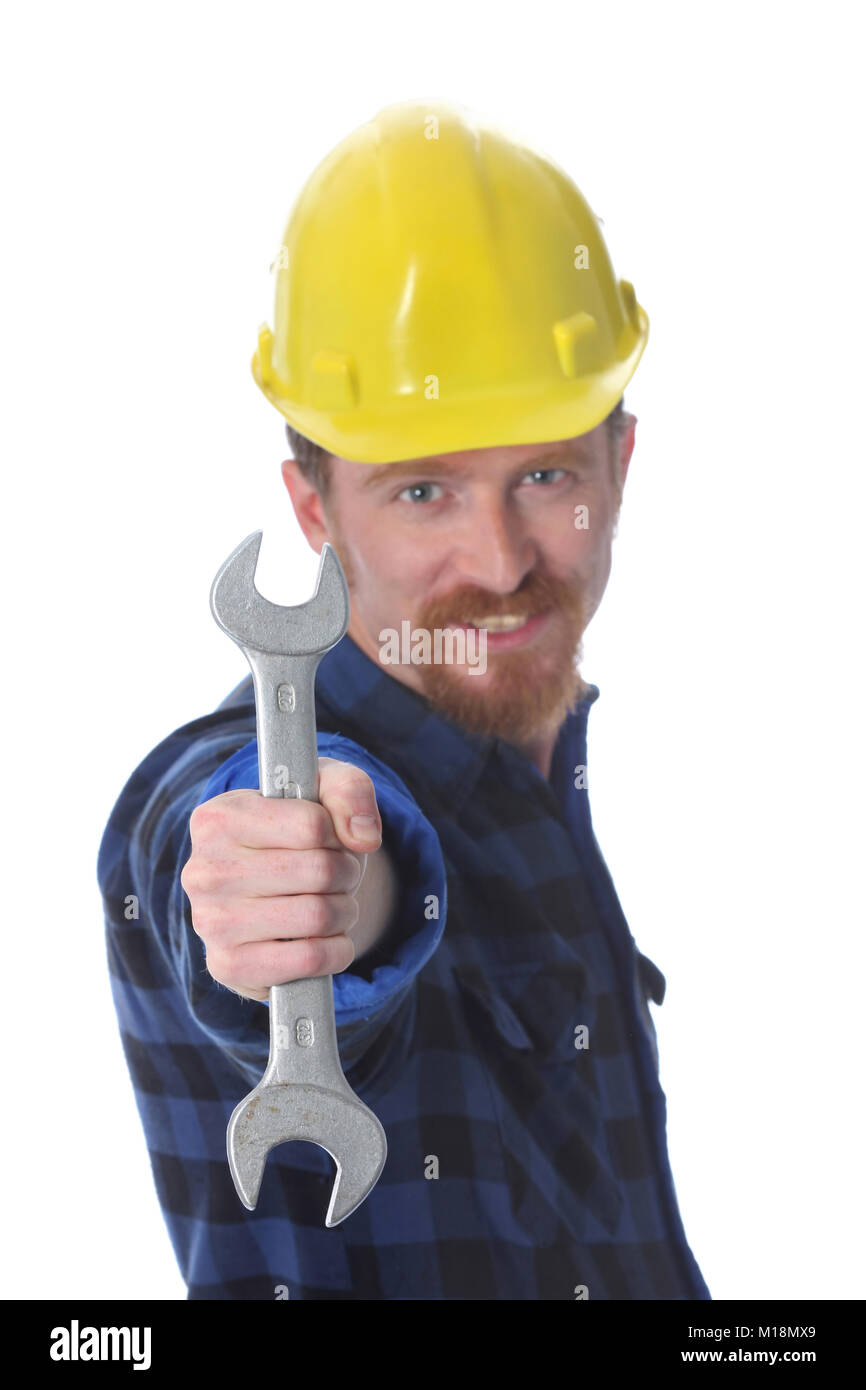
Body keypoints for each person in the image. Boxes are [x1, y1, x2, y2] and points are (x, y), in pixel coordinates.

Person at [97, 99, 711, 1301]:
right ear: (313, 507)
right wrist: (301, 889)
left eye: (541, 471)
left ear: (616, 464)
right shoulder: (265, 768)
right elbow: (220, 830)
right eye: (422, 492)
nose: (496, 560)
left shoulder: (537, 760)